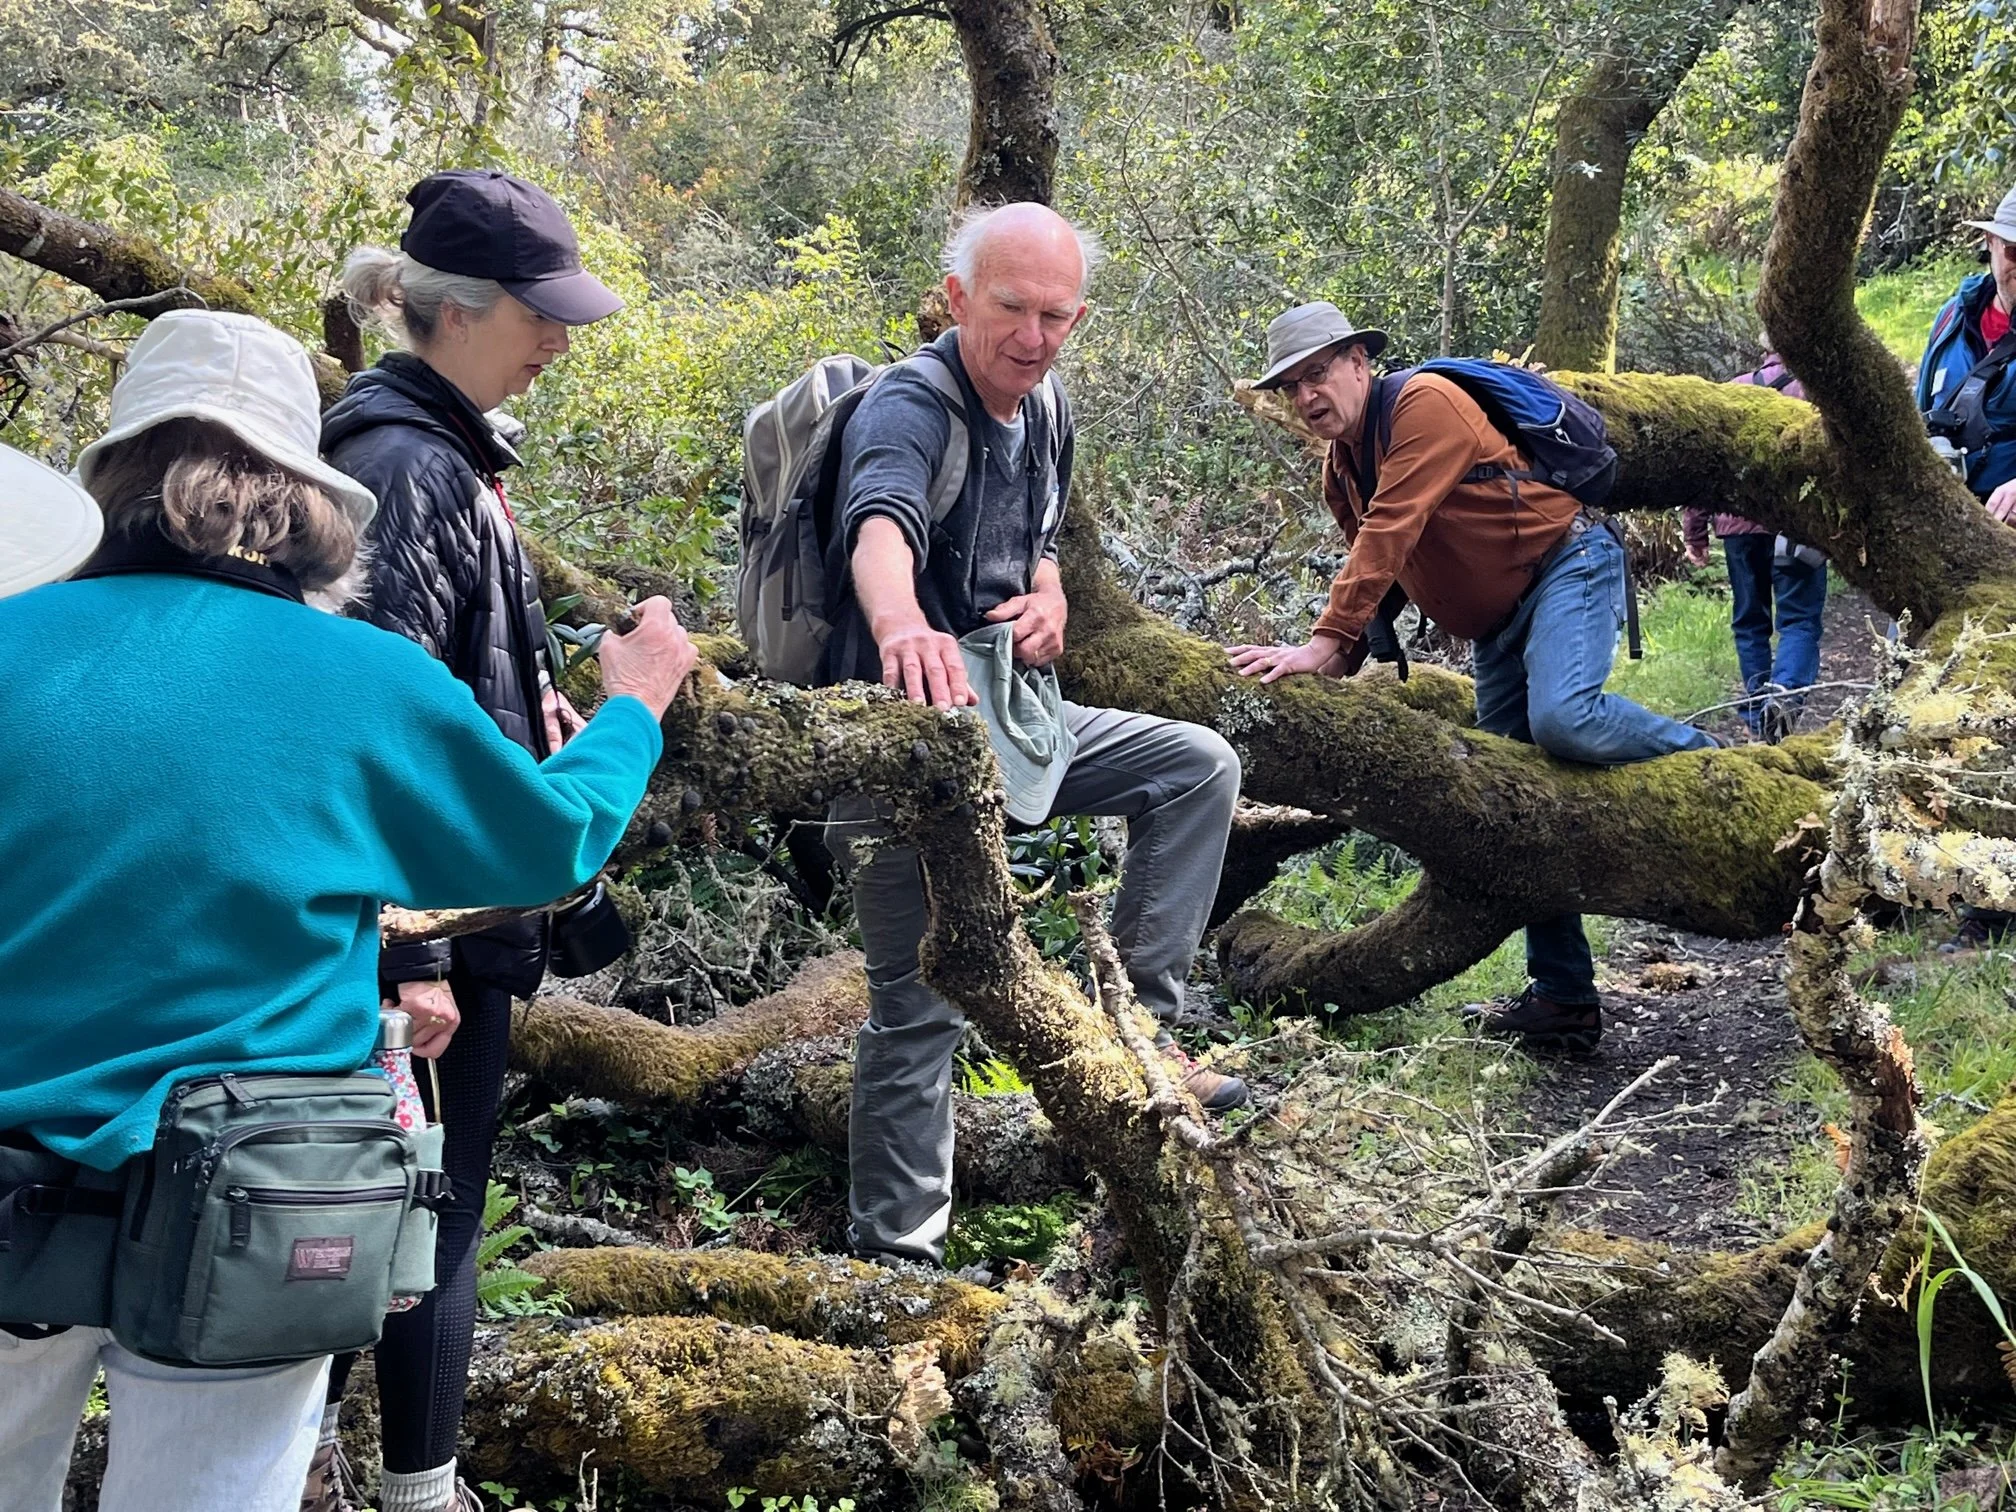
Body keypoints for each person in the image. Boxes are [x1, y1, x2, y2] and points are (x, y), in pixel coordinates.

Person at [0, 309, 695, 1512]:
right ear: (309, 502)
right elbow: (546, 841)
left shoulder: (11, 640)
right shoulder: (366, 678)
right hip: (258, 1201)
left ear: (110, 478)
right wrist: (633, 705)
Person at [819, 202, 1246, 1268]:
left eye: (1057, 315)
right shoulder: (909, 407)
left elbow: (1039, 541)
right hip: (899, 744)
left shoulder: (1045, 406)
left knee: (1195, 766)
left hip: (1014, 715)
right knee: (916, 1010)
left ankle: (1136, 1033)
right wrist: (901, 622)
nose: (1034, 335)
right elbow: (881, 527)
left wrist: (1049, 594)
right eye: (1012, 309)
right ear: (958, 298)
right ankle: (896, 1265)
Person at [314, 169, 625, 1512]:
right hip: (421, 947)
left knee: (386, 1217)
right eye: (538, 316)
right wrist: (408, 961)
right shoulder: (403, 464)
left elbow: (449, 686)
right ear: (454, 311)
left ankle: (350, 1477)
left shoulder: (441, 451)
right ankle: (400, 1490)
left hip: (452, 924)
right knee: (404, 1228)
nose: (557, 341)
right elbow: (364, 732)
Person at [1228, 301, 1717, 1053]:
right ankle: (1563, 999)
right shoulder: (1341, 470)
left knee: (1567, 719)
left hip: (1567, 564)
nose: (1306, 397)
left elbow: (1390, 530)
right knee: (1514, 810)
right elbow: (1385, 574)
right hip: (1495, 629)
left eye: (1317, 374)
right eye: (1290, 388)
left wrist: (1322, 640)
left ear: (1359, 361)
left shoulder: (1426, 406)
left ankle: (1719, 771)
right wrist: (1337, 661)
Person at [1918, 185, 2016, 953]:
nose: (2013, 259)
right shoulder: (1958, 316)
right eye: (2005, 243)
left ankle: (1992, 909)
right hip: (1945, 534)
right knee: (1930, 702)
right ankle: (1924, 876)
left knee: (1999, 720)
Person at [1682, 355, 1827, 744]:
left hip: (1737, 527)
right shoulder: (1817, 390)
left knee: (1750, 622)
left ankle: (1755, 719)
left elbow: (1705, 467)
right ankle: (1784, 696)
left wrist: (1695, 533)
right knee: (1798, 620)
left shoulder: (1734, 390)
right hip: (1798, 527)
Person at [1918, 183, 2016, 522]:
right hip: (1946, 526)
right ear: (1991, 243)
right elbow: (1920, 413)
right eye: (2015, 251)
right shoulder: (1952, 317)